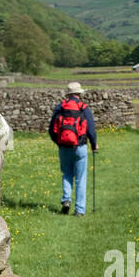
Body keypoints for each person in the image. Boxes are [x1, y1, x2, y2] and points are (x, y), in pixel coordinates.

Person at [48, 83, 98, 215]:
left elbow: (51, 129)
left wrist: (59, 143)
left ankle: (66, 200)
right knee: (80, 178)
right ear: (79, 94)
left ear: (68, 94)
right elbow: (91, 129)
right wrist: (94, 145)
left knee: (67, 174)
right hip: (80, 146)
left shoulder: (60, 107)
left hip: (64, 146)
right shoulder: (83, 108)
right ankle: (79, 210)